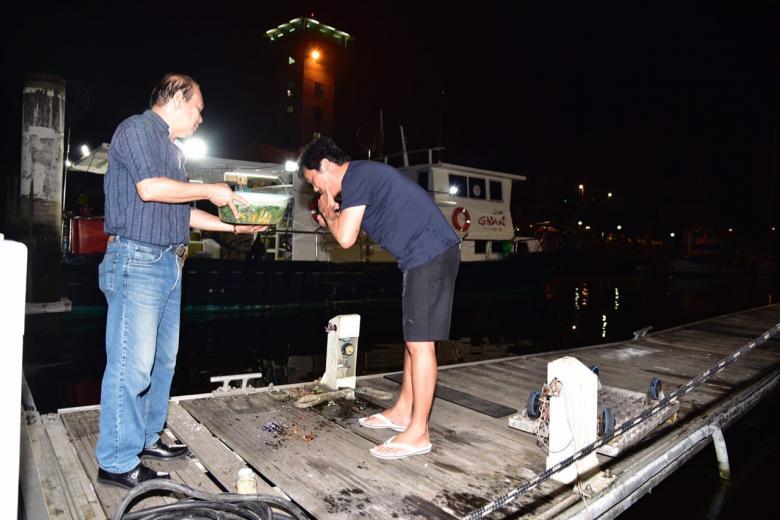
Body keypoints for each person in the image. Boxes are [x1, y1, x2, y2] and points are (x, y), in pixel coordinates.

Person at [96, 73, 265, 489]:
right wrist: (210, 189)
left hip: (169, 262)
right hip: (136, 258)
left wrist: (234, 229)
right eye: (199, 107)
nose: (202, 117)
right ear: (175, 97)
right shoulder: (136, 129)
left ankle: (147, 437)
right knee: (130, 365)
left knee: (163, 362)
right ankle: (116, 461)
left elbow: (181, 212)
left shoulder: (173, 153)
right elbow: (150, 190)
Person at [298, 136, 460, 460]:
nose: (317, 191)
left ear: (326, 166)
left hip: (429, 252)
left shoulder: (357, 176)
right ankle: (403, 411)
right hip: (422, 256)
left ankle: (419, 431)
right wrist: (332, 214)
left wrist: (329, 215)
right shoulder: (361, 180)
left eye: (314, 183)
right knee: (415, 337)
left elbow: (345, 237)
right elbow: (349, 227)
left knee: (421, 343)